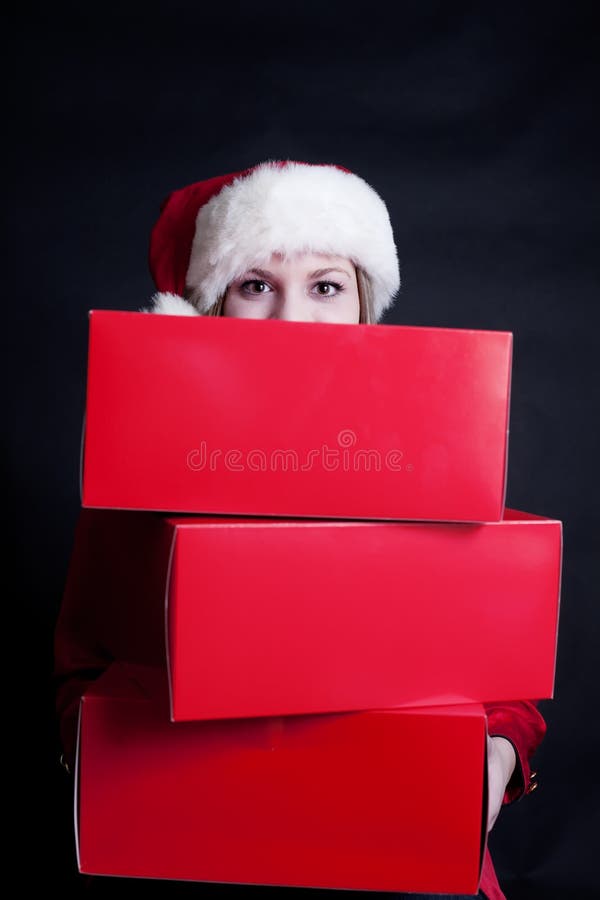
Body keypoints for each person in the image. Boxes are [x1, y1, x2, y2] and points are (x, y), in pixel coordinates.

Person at [54, 158, 547, 900]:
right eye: (257, 286)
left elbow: (502, 672)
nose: (293, 320)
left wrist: (491, 765)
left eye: (325, 287)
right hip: (206, 844)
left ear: (362, 305)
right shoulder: (135, 481)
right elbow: (79, 669)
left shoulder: (432, 451)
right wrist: (109, 762)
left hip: (396, 845)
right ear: (210, 307)